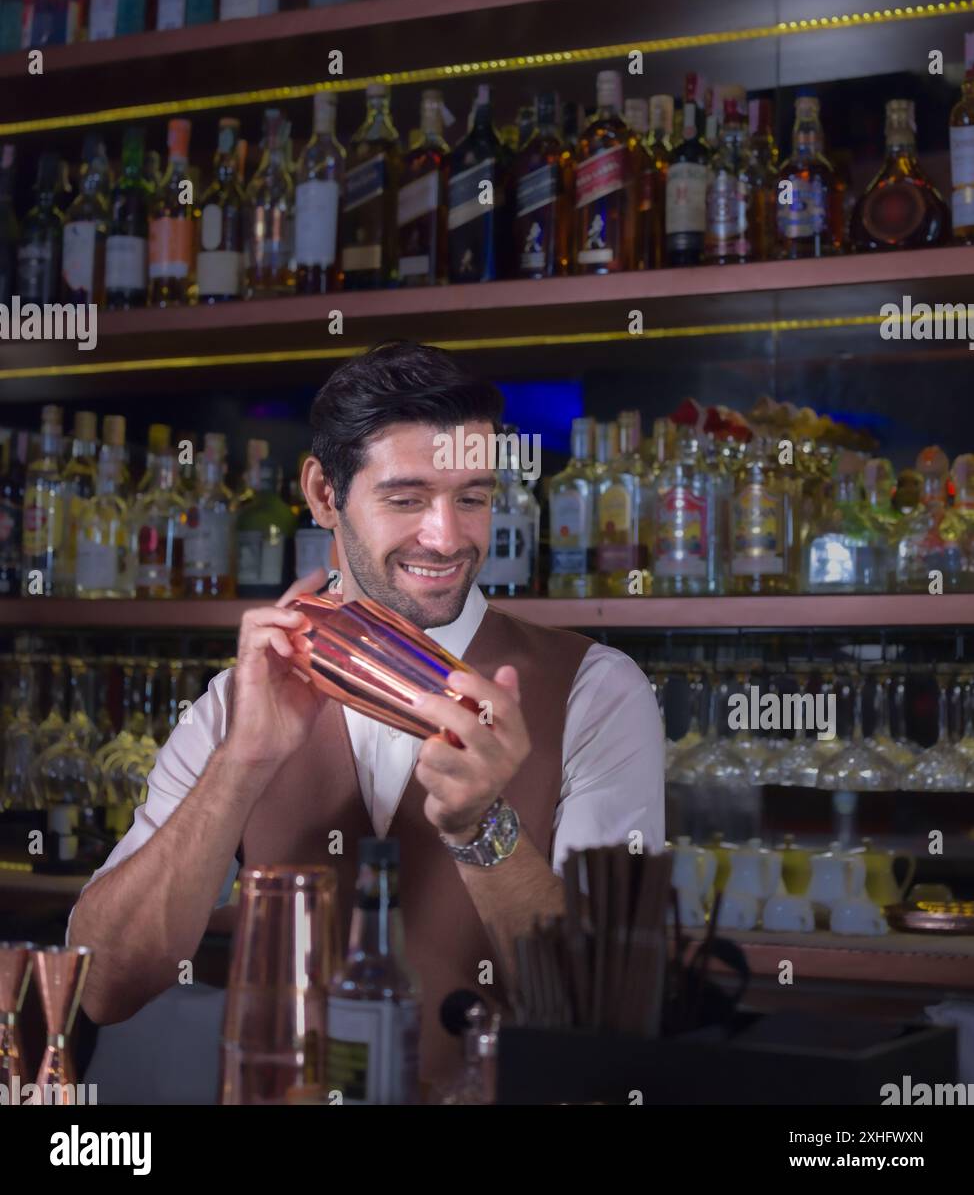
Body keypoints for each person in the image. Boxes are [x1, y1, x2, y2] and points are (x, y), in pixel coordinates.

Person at [69, 340, 664, 1086]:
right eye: (406, 498)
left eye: (472, 498)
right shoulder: (234, 702)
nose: (446, 538)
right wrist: (241, 764)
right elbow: (100, 987)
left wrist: (485, 829)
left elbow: (606, 1017)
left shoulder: (598, 692)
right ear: (324, 494)